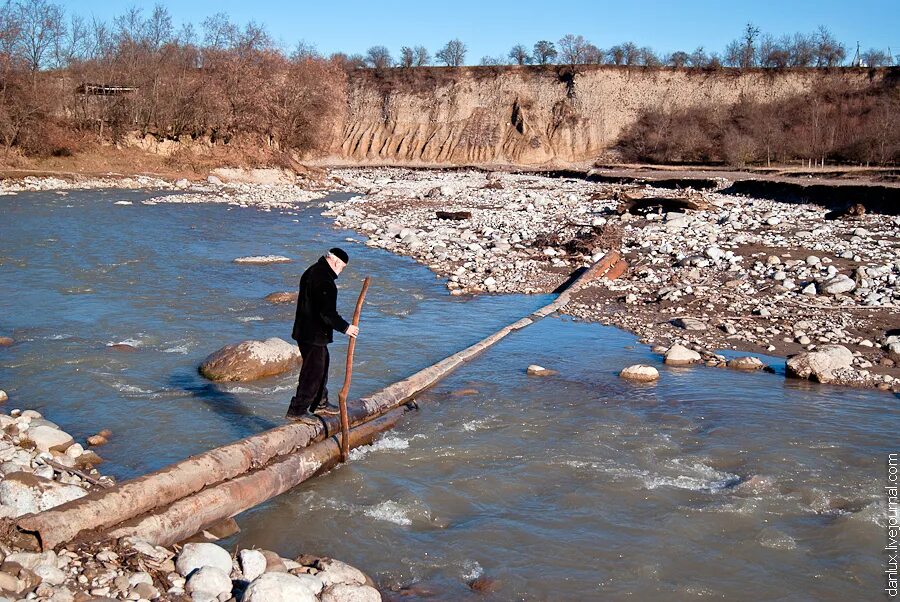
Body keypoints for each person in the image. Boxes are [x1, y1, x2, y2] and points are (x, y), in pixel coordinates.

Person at [286, 248, 359, 419]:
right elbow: (326, 313)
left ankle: (320, 402)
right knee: (313, 372)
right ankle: (297, 410)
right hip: (312, 334)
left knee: (322, 365)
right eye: (342, 267)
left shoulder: (313, 271)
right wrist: (346, 328)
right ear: (336, 262)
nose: (341, 271)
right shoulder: (324, 280)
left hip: (307, 331)